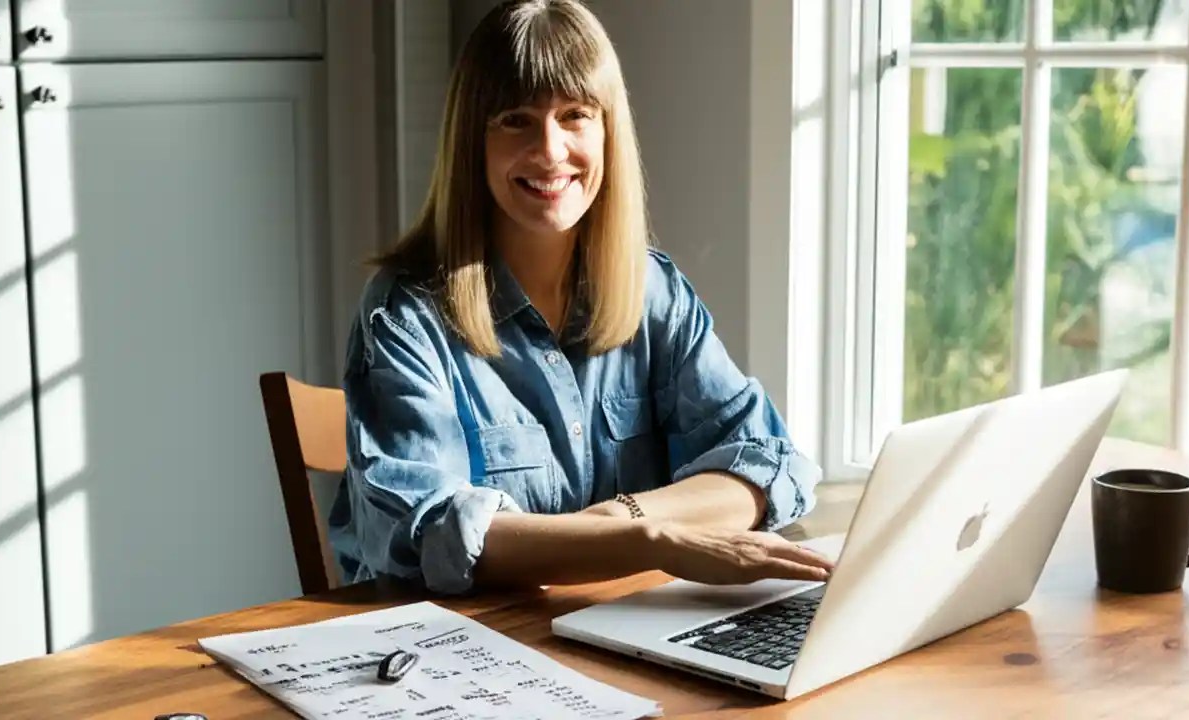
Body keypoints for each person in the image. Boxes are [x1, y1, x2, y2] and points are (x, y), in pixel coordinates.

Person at [328, 0, 832, 594]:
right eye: (515, 119)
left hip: (617, 633)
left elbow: (769, 464)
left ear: (607, 131)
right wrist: (651, 541)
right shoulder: (404, 315)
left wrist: (615, 519)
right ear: (472, 142)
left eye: (574, 115)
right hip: (452, 654)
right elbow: (437, 532)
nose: (549, 150)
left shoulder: (653, 291)